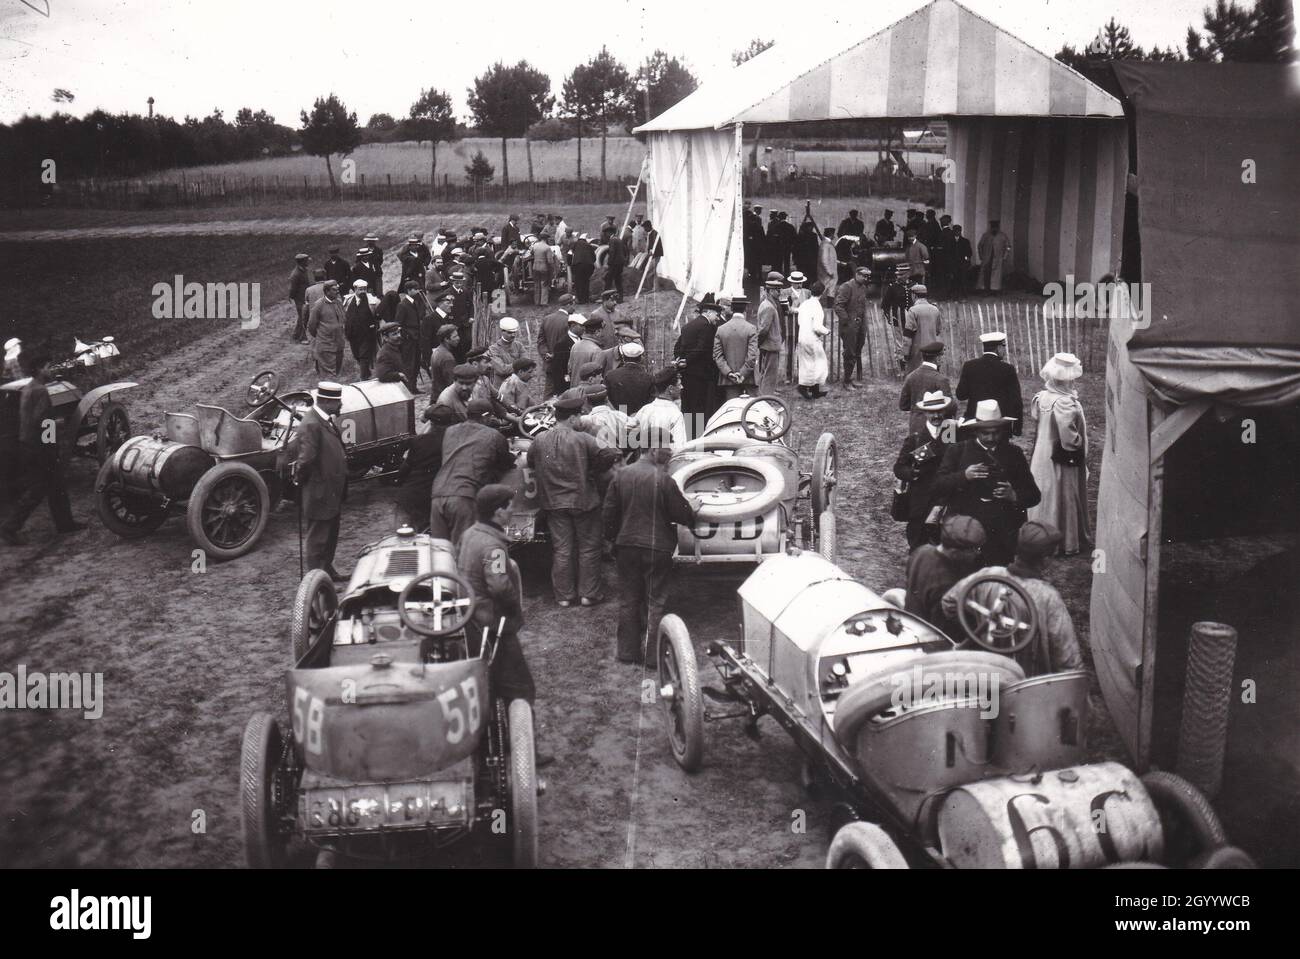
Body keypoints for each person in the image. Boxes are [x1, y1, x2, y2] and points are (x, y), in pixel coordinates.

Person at [457, 484, 554, 767]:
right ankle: (526, 752)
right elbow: (499, 586)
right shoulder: (493, 546)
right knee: (519, 687)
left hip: (471, 622)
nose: (512, 510)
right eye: (509, 506)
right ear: (498, 511)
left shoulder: (469, 534)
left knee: (486, 684)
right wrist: (513, 606)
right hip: (493, 625)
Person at [603, 429, 700, 664]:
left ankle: (627, 652)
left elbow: (608, 515)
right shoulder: (664, 480)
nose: (669, 453)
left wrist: (614, 540)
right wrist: (692, 507)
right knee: (655, 601)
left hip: (626, 546)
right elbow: (682, 515)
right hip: (658, 548)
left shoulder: (621, 476)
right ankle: (652, 656)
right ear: (654, 449)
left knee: (628, 599)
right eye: (666, 449)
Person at [940, 520, 1084, 676]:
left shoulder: (987, 575)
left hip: (985, 667)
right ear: (1046, 560)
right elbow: (1068, 658)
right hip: (1026, 678)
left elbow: (949, 602)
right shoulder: (1048, 597)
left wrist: (978, 630)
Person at [527, 391, 621, 606]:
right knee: (589, 547)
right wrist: (593, 469)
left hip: (553, 503)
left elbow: (531, 461)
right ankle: (589, 594)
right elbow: (611, 454)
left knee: (562, 549)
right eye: (579, 416)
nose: (580, 420)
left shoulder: (539, 439)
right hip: (583, 501)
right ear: (571, 418)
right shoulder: (584, 438)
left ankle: (564, 597)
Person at [932, 400, 1041, 566]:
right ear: (976, 431)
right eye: (985, 433)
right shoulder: (958, 451)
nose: (991, 438)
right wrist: (964, 476)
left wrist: (1014, 495)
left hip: (1004, 535)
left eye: (996, 432)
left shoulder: (1014, 453)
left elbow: (1034, 495)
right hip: (966, 531)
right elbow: (937, 486)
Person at [1, 349, 86, 545]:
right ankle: (9, 528)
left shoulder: (29, 387)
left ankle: (66, 524)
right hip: (39, 447)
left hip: (28, 444)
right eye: (48, 367)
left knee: (56, 485)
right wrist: (53, 441)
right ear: (40, 369)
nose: (50, 370)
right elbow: (43, 421)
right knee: (38, 490)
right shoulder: (40, 390)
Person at [1026, 352, 1091, 555]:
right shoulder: (1064, 403)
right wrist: (1080, 444)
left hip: (1042, 453)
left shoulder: (1042, 397)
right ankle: (1065, 540)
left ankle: (1040, 536)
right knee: (1063, 495)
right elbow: (1069, 440)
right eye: (1070, 378)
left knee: (1045, 493)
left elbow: (1039, 421)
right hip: (1060, 457)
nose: (1072, 382)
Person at [429, 398, 515, 547]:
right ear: (486, 416)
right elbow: (505, 462)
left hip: (437, 493)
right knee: (463, 549)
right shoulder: (494, 435)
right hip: (464, 495)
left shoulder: (450, 431)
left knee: (440, 552)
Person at [291, 382, 348, 579]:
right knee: (318, 539)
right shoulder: (311, 424)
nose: (341, 404)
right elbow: (306, 459)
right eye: (337, 401)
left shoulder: (324, 420)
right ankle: (315, 580)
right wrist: (299, 478)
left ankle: (327, 569)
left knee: (330, 534)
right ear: (325, 402)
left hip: (331, 491)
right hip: (320, 492)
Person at [903, 514, 987, 635]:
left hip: (911, 620)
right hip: (928, 636)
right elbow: (944, 628)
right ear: (954, 552)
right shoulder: (948, 582)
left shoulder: (922, 551)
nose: (977, 553)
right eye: (974, 549)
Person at [893, 391, 957, 550]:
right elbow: (899, 468)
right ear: (925, 413)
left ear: (945, 411)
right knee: (917, 547)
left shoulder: (952, 433)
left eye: (940, 411)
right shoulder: (915, 438)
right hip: (920, 501)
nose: (936, 415)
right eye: (931, 412)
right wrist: (911, 473)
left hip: (945, 501)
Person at [395, 404, 456, 531]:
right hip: (438, 500)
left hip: (411, 497)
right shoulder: (455, 442)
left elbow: (405, 469)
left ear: (431, 423)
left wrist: (398, 481)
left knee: (404, 539)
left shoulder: (418, 441)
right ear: (451, 423)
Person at [955, 331, 1024, 436]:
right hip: (1000, 424)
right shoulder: (1007, 369)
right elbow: (1016, 400)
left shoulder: (969, 366)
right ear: (998, 348)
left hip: (975, 422)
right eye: (1003, 347)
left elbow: (961, 395)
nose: (1004, 351)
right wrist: (1017, 427)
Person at [673, 297, 721, 437]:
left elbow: (678, 346)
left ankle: (688, 434)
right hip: (702, 375)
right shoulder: (708, 327)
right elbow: (702, 348)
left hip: (687, 374)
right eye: (716, 315)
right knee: (700, 406)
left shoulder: (688, 326)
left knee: (688, 405)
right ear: (708, 312)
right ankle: (698, 436)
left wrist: (679, 359)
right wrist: (687, 360)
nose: (717, 318)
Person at [899, 341, 952, 434]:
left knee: (916, 448)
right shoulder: (941, 379)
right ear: (938, 358)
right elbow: (950, 408)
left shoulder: (910, 377)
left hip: (915, 427)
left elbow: (903, 405)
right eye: (942, 356)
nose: (943, 359)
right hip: (938, 428)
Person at [713, 297, 759, 402]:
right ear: (746, 308)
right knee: (751, 410)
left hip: (729, 379)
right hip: (749, 378)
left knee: (732, 410)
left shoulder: (721, 329)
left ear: (732, 308)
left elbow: (717, 356)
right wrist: (742, 373)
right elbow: (752, 356)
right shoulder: (751, 328)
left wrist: (729, 373)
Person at [833, 265, 871, 388]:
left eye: (867, 276)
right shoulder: (847, 287)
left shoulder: (863, 287)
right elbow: (838, 306)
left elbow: (862, 306)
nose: (866, 278)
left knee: (857, 351)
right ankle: (846, 381)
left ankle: (853, 378)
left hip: (860, 326)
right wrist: (847, 321)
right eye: (864, 276)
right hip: (849, 327)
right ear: (857, 274)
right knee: (850, 353)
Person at [636, 367, 689, 452]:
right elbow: (679, 450)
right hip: (665, 463)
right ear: (670, 389)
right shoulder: (676, 415)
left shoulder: (645, 410)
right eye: (679, 384)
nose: (682, 387)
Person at [537, 293, 577, 398]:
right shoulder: (570, 321)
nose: (575, 307)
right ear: (568, 304)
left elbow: (541, 340)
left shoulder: (547, 319)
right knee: (565, 391)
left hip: (550, 364)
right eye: (574, 304)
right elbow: (569, 342)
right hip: (565, 365)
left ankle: (545, 411)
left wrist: (546, 354)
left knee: (549, 392)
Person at [795, 282, 830, 399]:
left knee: (807, 363)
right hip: (811, 338)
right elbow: (817, 327)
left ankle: (815, 390)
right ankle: (803, 387)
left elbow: (800, 321)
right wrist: (826, 331)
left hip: (802, 336)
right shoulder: (817, 306)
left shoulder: (805, 304)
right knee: (819, 363)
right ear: (822, 292)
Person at [307, 280, 347, 378]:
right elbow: (311, 326)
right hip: (326, 346)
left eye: (337, 289)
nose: (337, 292)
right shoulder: (319, 305)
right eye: (334, 290)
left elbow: (343, 319)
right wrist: (323, 337)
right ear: (326, 291)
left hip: (339, 345)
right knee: (329, 377)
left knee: (336, 373)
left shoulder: (338, 303)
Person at [605, 340, 654, 415]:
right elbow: (651, 402)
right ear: (640, 358)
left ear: (623, 357)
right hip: (639, 418)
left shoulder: (610, 376)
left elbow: (606, 399)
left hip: (616, 418)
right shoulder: (649, 378)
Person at [343, 279, 379, 380]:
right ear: (355, 289)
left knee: (364, 355)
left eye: (365, 289)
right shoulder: (348, 300)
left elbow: (378, 314)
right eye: (360, 289)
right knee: (357, 355)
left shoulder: (373, 301)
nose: (363, 291)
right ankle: (366, 372)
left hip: (367, 334)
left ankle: (363, 378)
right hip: (353, 334)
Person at [755, 274, 784, 393]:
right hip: (770, 345)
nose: (780, 292)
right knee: (769, 372)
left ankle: (765, 393)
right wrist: (760, 342)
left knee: (767, 370)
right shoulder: (769, 307)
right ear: (771, 291)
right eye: (777, 290)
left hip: (769, 344)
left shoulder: (768, 304)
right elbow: (763, 329)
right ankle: (766, 396)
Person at [903, 284, 942, 373]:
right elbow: (938, 331)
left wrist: (906, 353)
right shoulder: (935, 310)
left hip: (917, 352)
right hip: (933, 351)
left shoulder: (913, 310)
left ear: (914, 295)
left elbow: (907, 336)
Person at [396, 281, 426, 390]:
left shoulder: (415, 303)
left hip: (417, 338)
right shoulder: (402, 305)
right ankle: (408, 388)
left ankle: (413, 387)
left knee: (416, 363)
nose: (418, 291)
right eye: (415, 289)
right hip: (408, 340)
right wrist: (407, 336)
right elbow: (399, 324)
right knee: (409, 364)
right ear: (409, 291)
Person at [567, 315, 606, 388]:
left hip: (574, 391)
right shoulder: (597, 350)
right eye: (603, 331)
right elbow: (596, 377)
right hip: (588, 393)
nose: (603, 335)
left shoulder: (575, 346)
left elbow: (569, 370)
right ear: (598, 332)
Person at [486, 317, 525, 389]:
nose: (513, 335)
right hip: (501, 388)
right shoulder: (494, 349)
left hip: (518, 386)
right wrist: (520, 365)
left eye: (514, 332)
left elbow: (526, 365)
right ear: (502, 331)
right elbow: (502, 370)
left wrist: (520, 365)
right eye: (509, 332)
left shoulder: (519, 346)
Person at [976, 219, 1011, 292]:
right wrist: (981, 256)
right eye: (993, 227)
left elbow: (1008, 246)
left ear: (998, 227)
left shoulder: (1002, 235)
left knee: (996, 275)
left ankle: (995, 289)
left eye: (996, 227)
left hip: (998, 258)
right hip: (987, 258)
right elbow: (980, 245)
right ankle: (985, 288)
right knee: (986, 273)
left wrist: (1004, 256)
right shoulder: (986, 235)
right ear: (991, 227)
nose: (994, 229)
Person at [428, 323, 460, 399]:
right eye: (455, 336)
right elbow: (451, 383)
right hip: (444, 397)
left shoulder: (437, 351)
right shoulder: (447, 358)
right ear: (446, 339)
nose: (458, 338)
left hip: (436, 395)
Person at [288, 252, 311, 344]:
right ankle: (303, 337)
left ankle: (296, 335)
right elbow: (293, 288)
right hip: (300, 299)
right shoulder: (296, 274)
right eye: (306, 261)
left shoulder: (303, 270)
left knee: (302, 316)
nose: (308, 262)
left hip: (304, 297)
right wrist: (292, 297)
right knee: (303, 317)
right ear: (302, 262)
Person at [530, 234, 556, 306]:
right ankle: (543, 302)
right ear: (546, 239)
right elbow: (550, 261)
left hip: (535, 267)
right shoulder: (547, 248)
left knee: (536, 285)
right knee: (544, 284)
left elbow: (531, 253)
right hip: (543, 268)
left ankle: (536, 302)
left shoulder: (535, 246)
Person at [570, 233, 597, 303]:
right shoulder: (589, 246)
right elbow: (594, 258)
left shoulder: (575, 244)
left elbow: (570, 254)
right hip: (588, 266)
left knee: (578, 282)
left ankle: (580, 299)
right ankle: (586, 299)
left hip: (578, 265)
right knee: (586, 281)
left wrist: (571, 264)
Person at [950, 224, 973, 298]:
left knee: (963, 279)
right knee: (954, 279)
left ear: (960, 231)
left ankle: (963, 295)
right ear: (953, 231)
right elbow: (947, 252)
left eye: (958, 230)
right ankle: (954, 295)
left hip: (962, 263)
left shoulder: (965, 241)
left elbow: (969, 252)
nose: (957, 232)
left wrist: (966, 260)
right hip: (953, 263)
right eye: (955, 230)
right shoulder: (949, 241)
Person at [817, 227, 839, 299]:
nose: (834, 236)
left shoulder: (826, 243)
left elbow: (829, 257)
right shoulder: (826, 244)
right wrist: (830, 272)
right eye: (833, 234)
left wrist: (839, 262)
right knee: (823, 290)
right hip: (827, 274)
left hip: (829, 273)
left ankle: (829, 307)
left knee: (831, 291)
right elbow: (824, 259)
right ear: (830, 234)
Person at [604, 230, 627, 296]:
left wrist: (609, 263)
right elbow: (625, 250)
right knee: (618, 280)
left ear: (609, 234)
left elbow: (612, 252)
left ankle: (606, 296)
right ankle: (620, 297)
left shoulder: (612, 240)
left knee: (608, 280)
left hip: (614, 263)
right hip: (620, 263)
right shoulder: (619, 240)